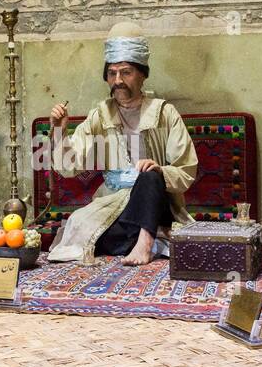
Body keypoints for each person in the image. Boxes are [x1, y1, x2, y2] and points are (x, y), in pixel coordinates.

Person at [46, 22, 199, 266]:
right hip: (115, 206)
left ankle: (145, 243)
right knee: (81, 227)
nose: (118, 80)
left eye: (126, 72)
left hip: (156, 203)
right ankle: (142, 237)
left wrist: (160, 171)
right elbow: (68, 167)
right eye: (112, 73)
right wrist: (59, 130)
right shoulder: (99, 115)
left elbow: (186, 170)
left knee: (149, 176)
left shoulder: (164, 113)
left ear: (142, 74)